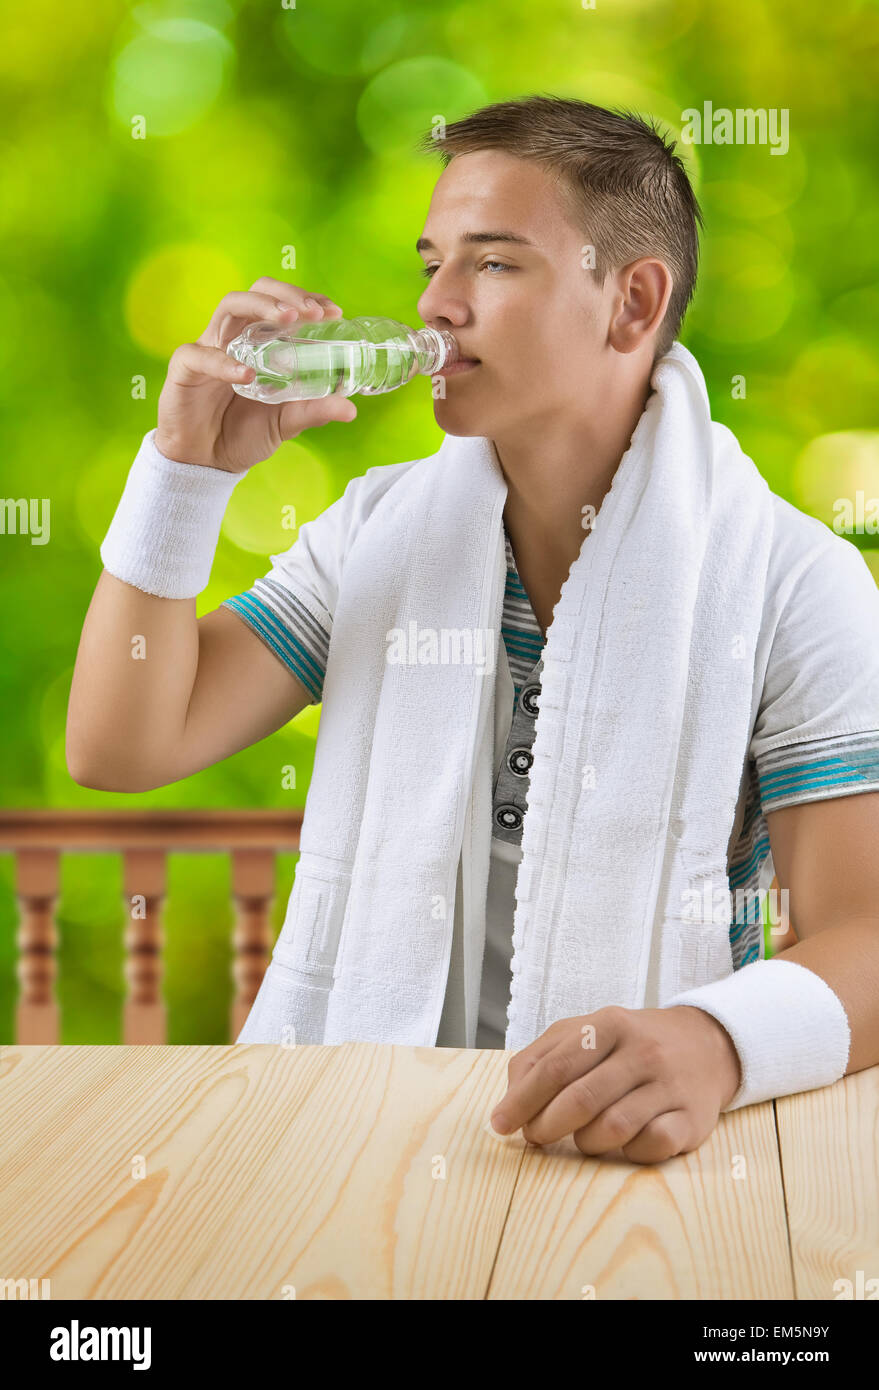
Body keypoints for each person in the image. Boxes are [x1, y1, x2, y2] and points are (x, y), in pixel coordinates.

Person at [67, 96, 879, 1165]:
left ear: (632, 303)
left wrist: (716, 1041)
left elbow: (863, 932)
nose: (437, 305)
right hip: (361, 1138)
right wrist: (183, 475)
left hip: (630, 1153)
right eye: (430, 262)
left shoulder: (788, 581)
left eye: (493, 265)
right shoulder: (377, 534)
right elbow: (121, 746)